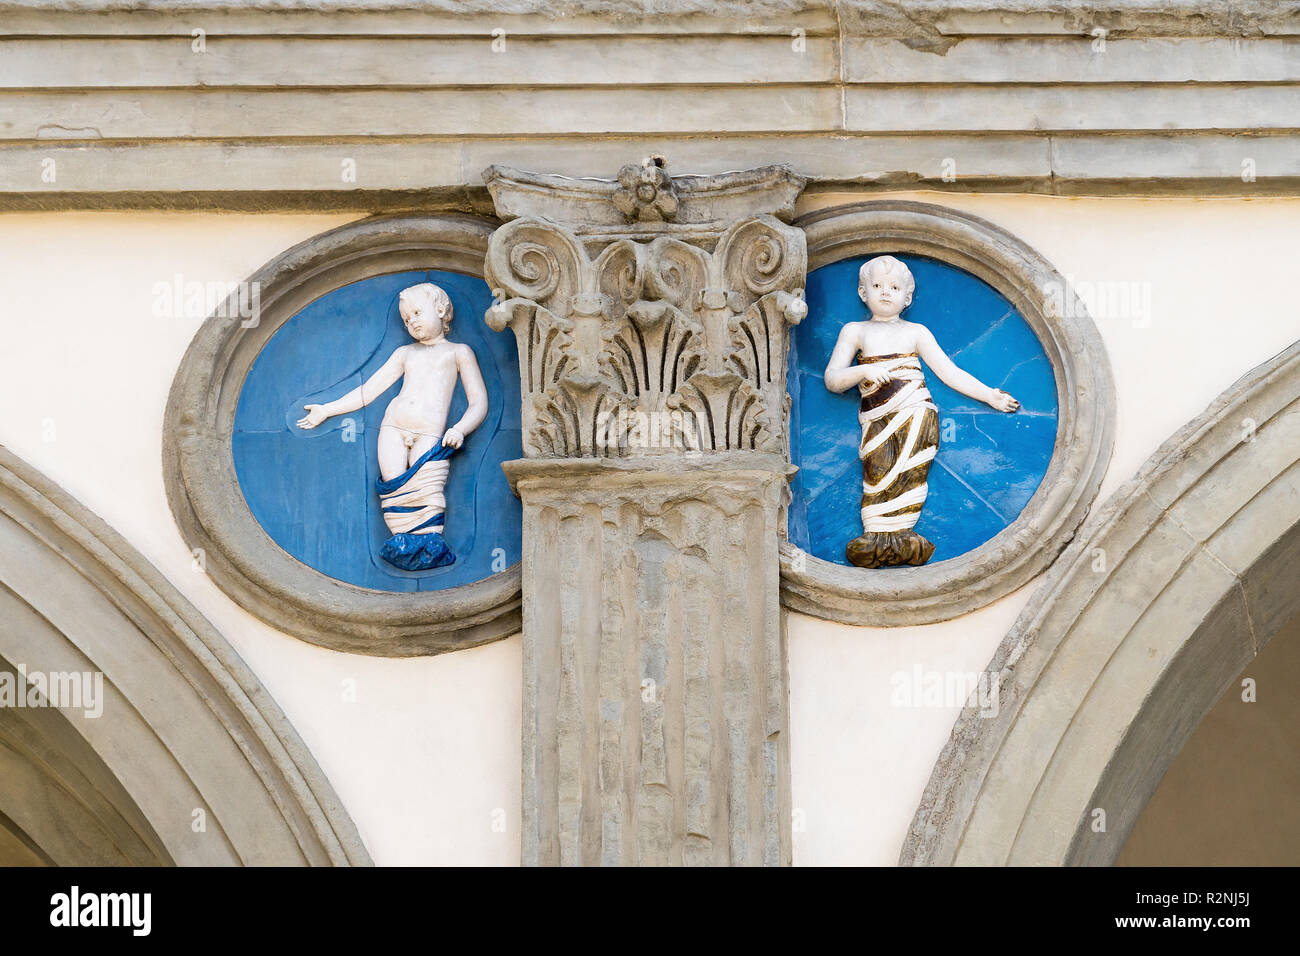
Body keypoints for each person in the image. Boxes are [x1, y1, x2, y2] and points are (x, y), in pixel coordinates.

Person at [823, 256, 1019, 567]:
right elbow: (833, 379)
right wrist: (863, 373)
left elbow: (949, 373)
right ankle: (874, 539)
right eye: (877, 285)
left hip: (916, 413)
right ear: (863, 292)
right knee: (878, 472)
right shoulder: (855, 331)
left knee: (911, 475)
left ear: (907, 297)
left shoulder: (916, 332)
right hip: (876, 417)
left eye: (895, 287)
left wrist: (990, 396)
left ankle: (903, 539)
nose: (886, 292)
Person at [297, 282, 488, 570]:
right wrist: (328, 409)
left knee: (426, 490)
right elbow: (368, 390)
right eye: (406, 319)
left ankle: (430, 544)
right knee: (394, 488)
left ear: (440, 310)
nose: (412, 322)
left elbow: (478, 403)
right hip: (394, 427)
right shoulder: (405, 354)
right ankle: (401, 542)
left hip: (430, 433)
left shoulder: (459, 352)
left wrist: (460, 429)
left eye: (416, 313)